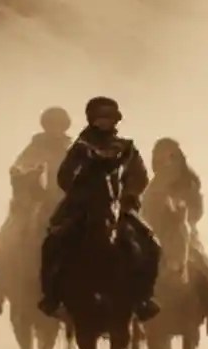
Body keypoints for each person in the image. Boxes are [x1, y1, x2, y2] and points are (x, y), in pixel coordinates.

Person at [37, 96, 161, 322]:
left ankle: (144, 297)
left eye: (109, 118)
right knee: (52, 241)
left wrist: (129, 195)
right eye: (100, 118)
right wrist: (81, 192)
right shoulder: (80, 148)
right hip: (81, 207)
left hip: (120, 206)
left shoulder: (127, 147)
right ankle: (51, 296)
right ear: (92, 119)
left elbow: (140, 177)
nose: (105, 122)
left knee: (151, 243)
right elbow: (64, 177)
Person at [143, 138, 208, 332]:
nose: (166, 161)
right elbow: (145, 208)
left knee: (200, 263)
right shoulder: (153, 185)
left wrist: (185, 215)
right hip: (154, 230)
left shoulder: (190, 181)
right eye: (162, 156)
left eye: (170, 156)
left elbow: (197, 208)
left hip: (183, 228)